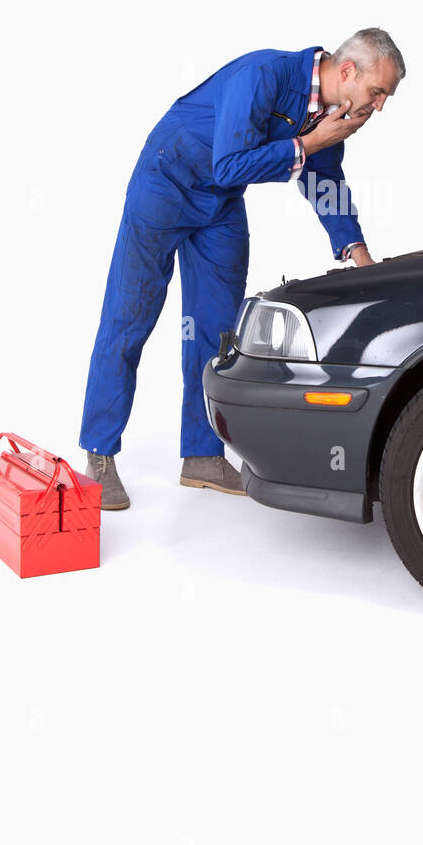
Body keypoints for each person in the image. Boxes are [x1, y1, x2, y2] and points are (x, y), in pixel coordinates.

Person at [79, 28, 406, 510]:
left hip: (220, 203)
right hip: (165, 183)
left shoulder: (332, 117)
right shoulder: (264, 75)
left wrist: (358, 254)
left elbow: (325, 182)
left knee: (215, 332)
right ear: (349, 71)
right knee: (129, 321)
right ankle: (100, 456)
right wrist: (308, 144)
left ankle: (202, 457)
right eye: (378, 92)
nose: (379, 107)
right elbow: (230, 162)